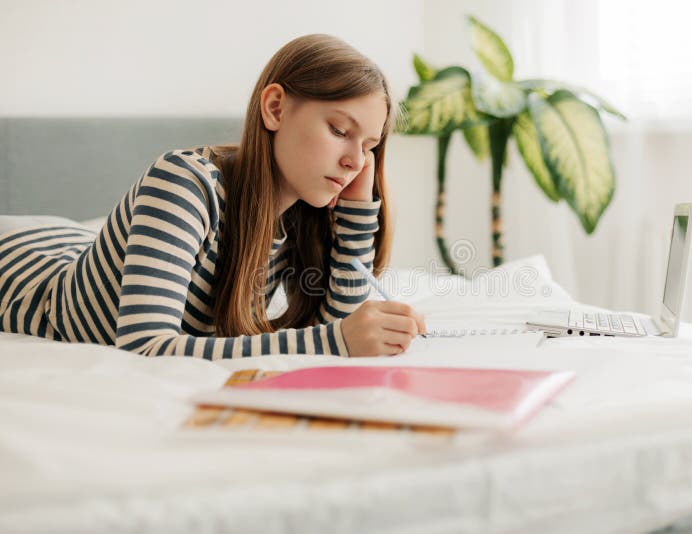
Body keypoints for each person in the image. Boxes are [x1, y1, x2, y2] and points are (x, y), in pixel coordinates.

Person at [0, 34, 425, 358]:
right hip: (22, 268)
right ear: (275, 108)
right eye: (339, 130)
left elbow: (337, 325)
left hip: (74, 244)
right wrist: (336, 341)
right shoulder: (183, 182)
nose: (355, 161)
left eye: (369, 146)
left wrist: (355, 213)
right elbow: (145, 346)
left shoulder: (299, 216)